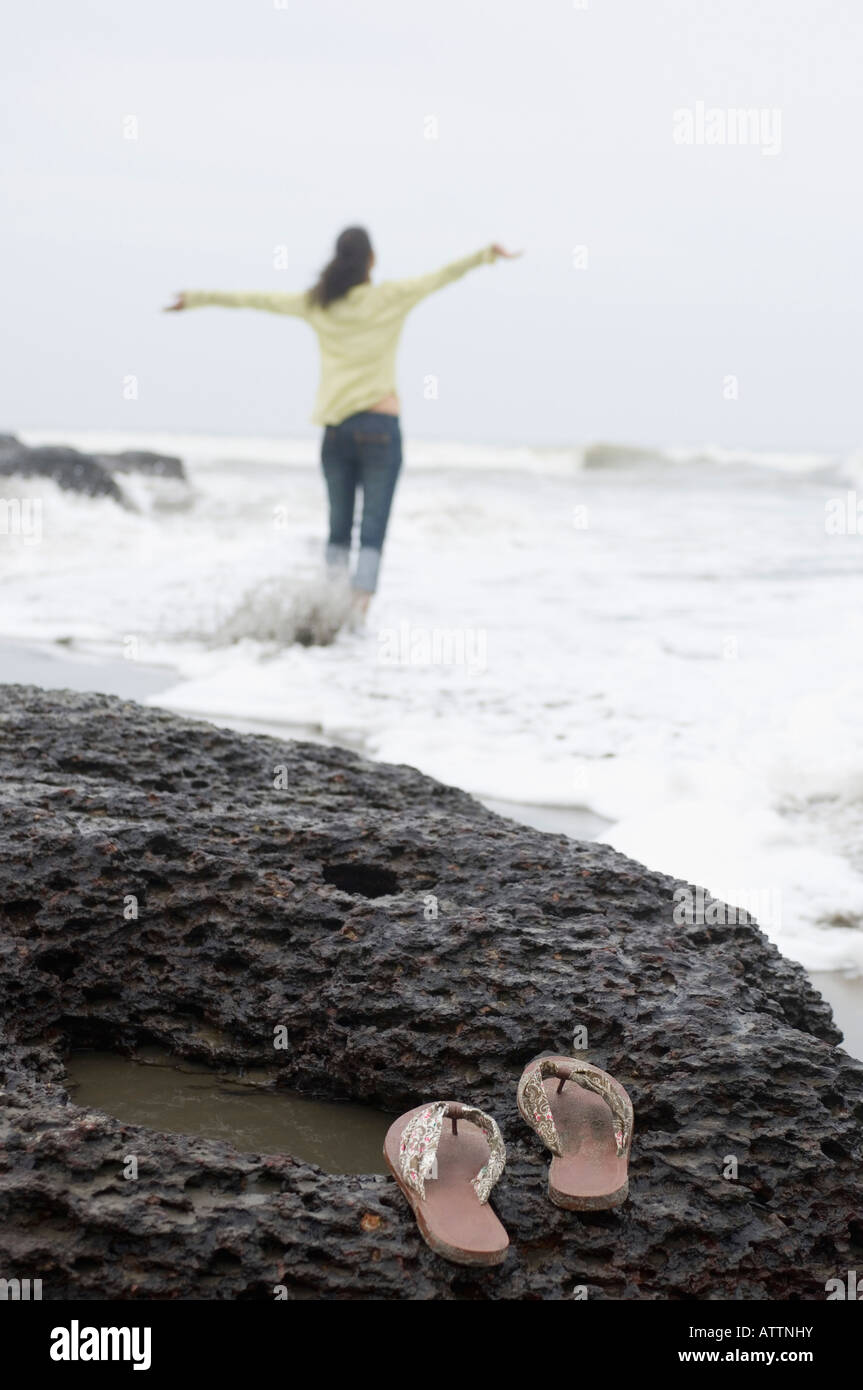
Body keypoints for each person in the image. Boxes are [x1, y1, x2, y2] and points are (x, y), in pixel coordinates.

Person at [165, 230, 520, 618]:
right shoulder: (389, 297)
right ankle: (356, 613)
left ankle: (329, 610)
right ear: (371, 260)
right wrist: (486, 254)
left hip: (336, 432)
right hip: (380, 429)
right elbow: (442, 275)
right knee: (373, 527)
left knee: (338, 530)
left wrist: (196, 299)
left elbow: (255, 300)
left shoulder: (319, 304)